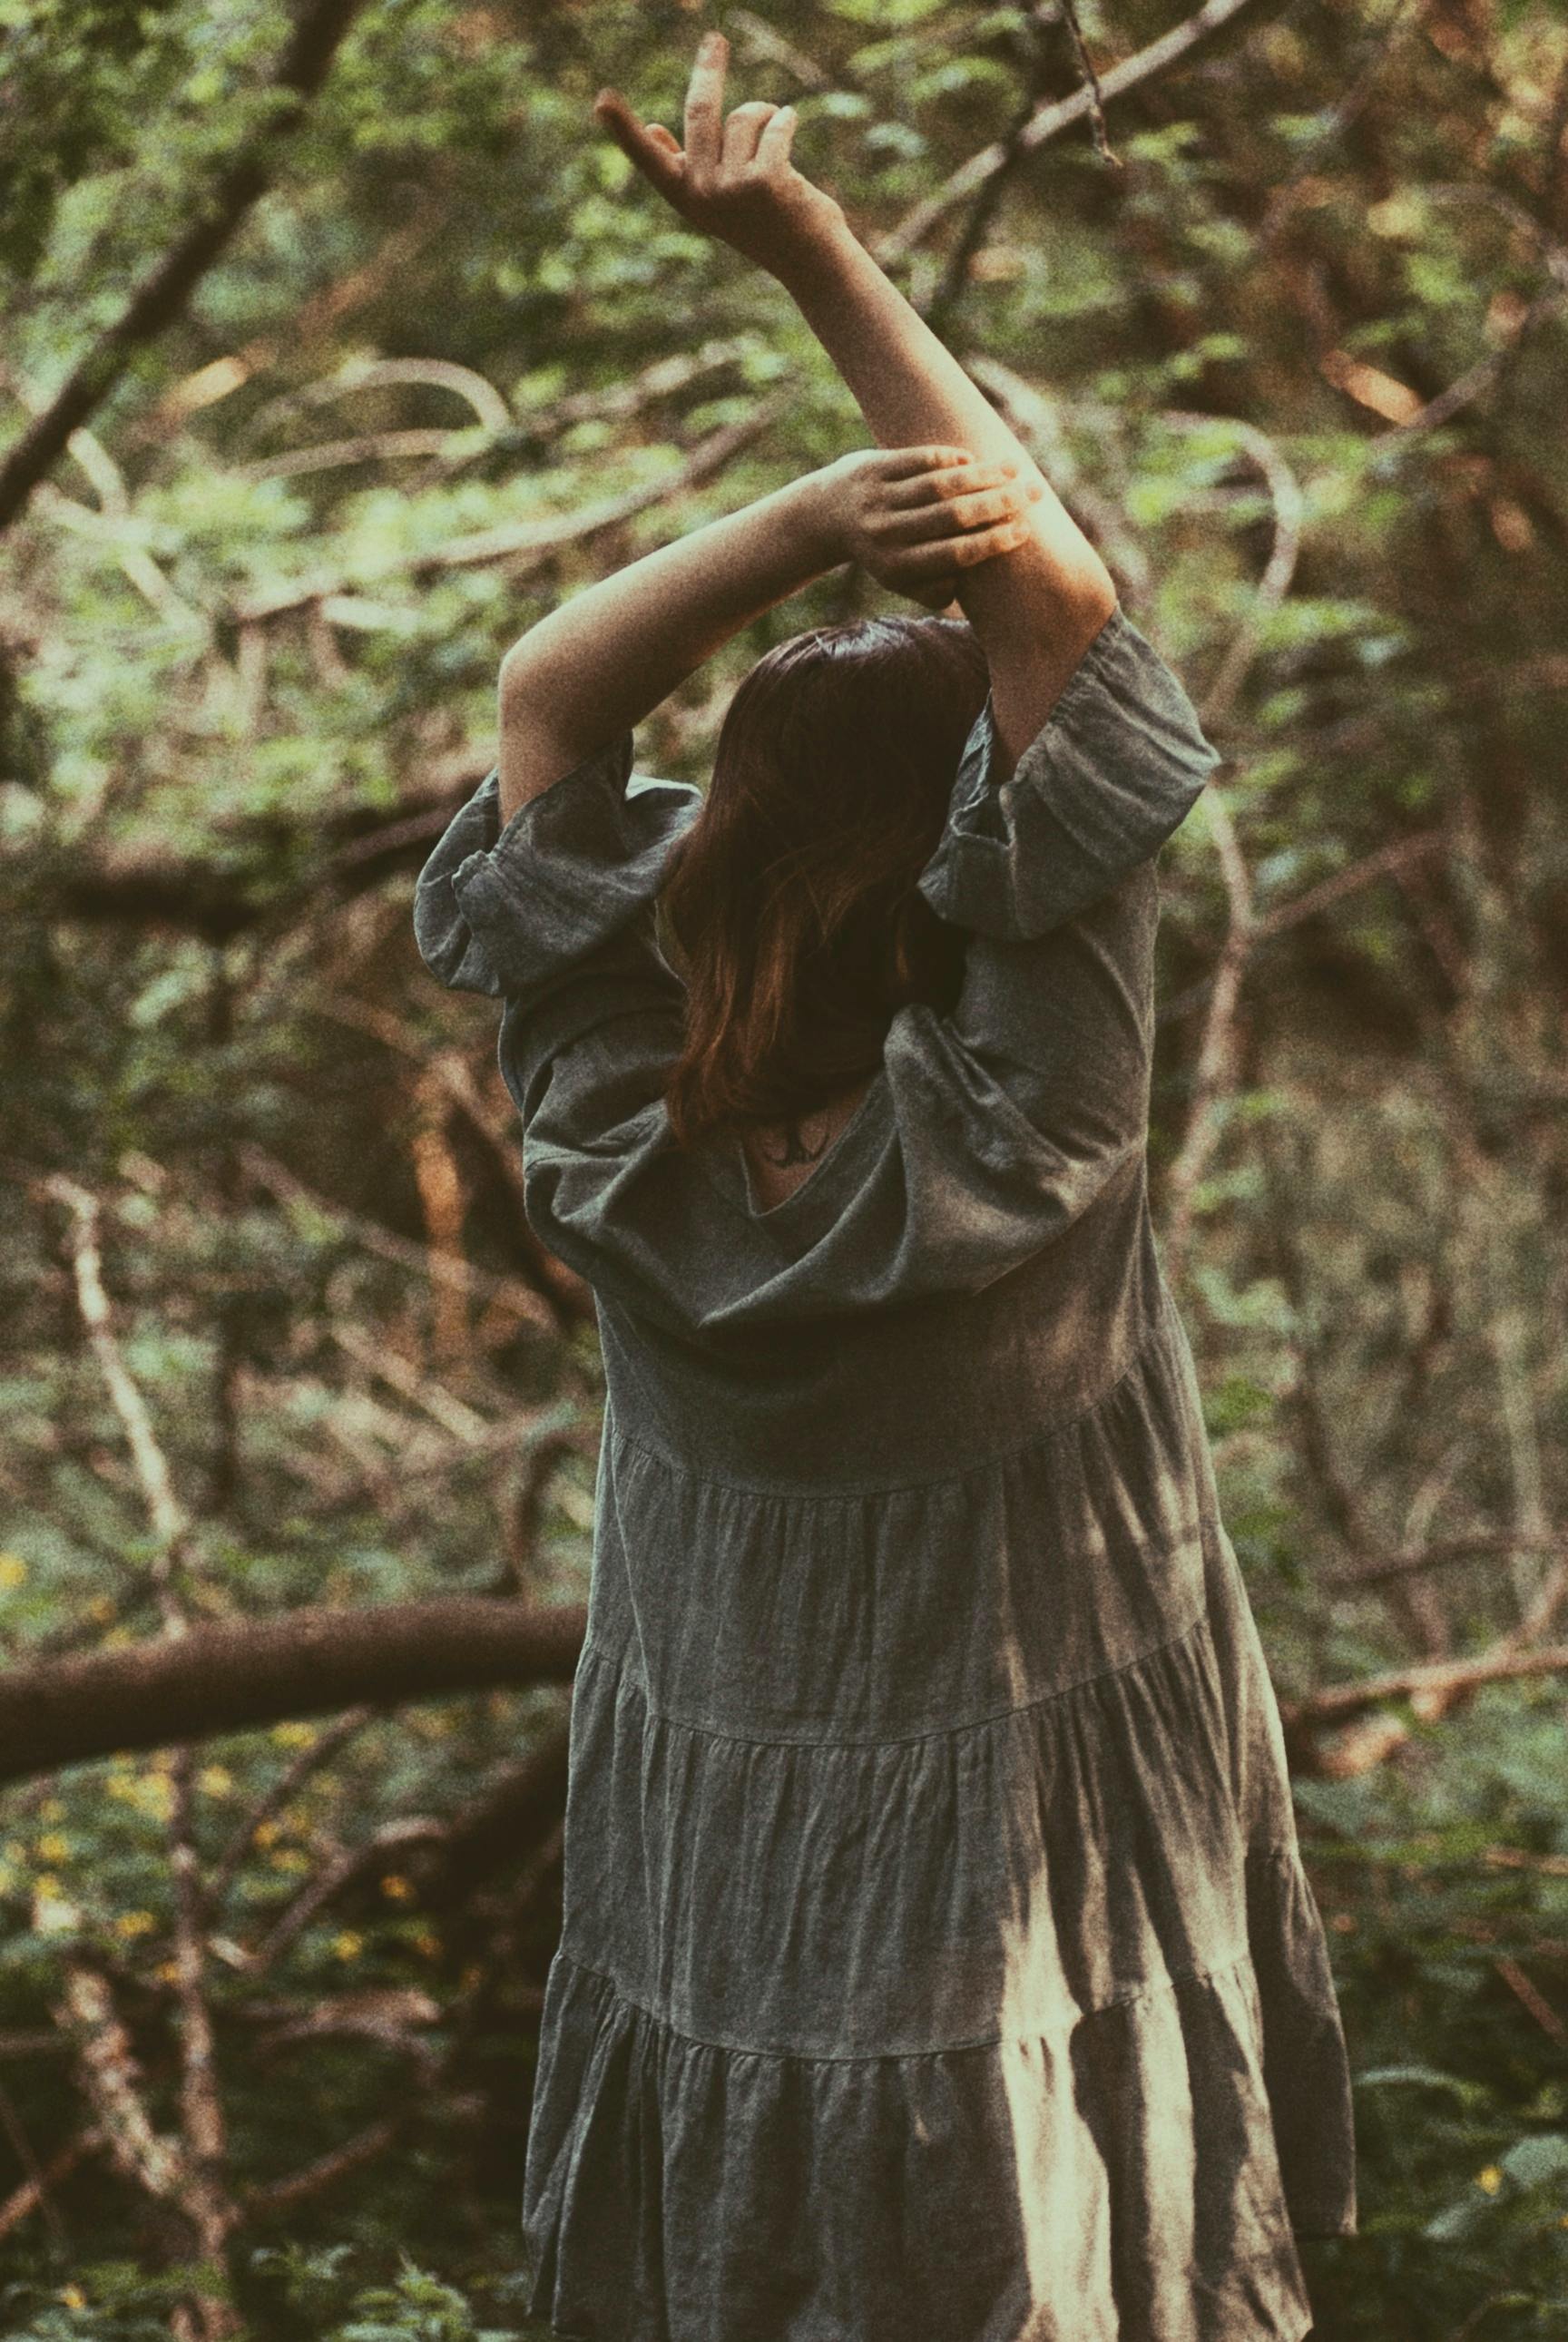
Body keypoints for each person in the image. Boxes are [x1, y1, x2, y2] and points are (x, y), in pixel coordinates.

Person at [413, 27, 1357, 2341]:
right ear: (986, 865)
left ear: (704, 853)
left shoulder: (612, 1122)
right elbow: (1056, 590)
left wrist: (805, 529)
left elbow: (546, 700)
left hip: (739, 1871)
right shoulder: (1036, 1107)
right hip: (1030, 1862)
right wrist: (814, 247)